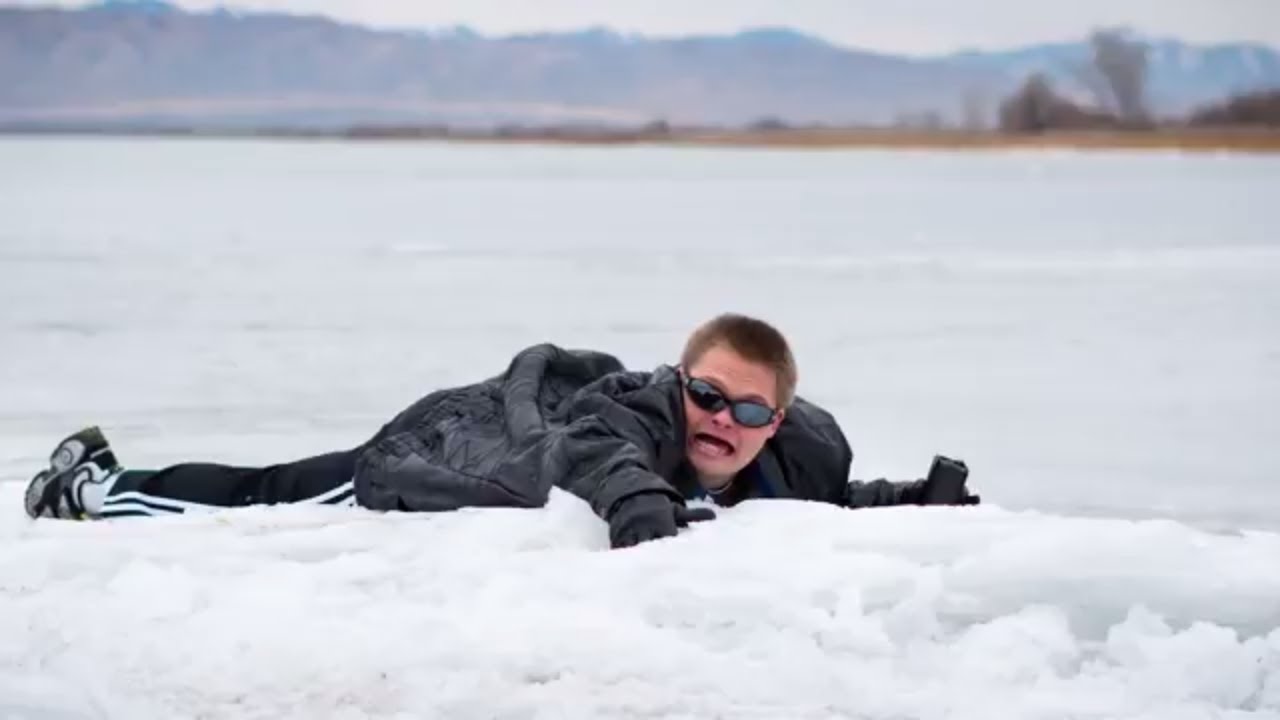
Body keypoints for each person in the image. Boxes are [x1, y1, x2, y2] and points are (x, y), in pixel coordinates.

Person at [24, 313, 980, 548]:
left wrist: (911, 502)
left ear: (777, 424)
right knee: (274, 493)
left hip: (519, 448)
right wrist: (641, 499)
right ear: (678, 381)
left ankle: (106, 479)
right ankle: (94, 489)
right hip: (454, 449)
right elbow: (600, 452)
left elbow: (831, 502)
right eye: (705, 393)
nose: (720, 421)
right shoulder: (637, 415)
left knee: (271, 486)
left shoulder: (799, 456)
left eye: (748, 410)